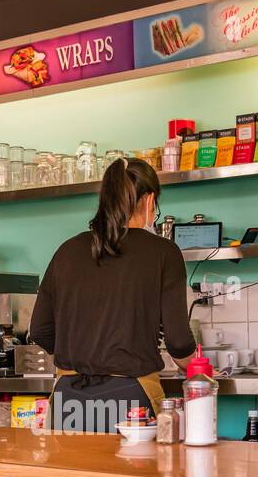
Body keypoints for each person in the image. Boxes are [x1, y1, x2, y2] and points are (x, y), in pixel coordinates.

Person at [29, 158, 196, 434]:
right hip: (132, 397)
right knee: (133, 476)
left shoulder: (67, 251)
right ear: (150, 200)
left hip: (69, 398)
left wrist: (83, 353)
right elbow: (178, 342)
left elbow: (40, 330)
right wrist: (199, 371)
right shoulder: (164, 253)